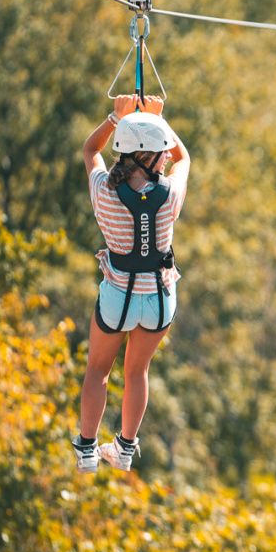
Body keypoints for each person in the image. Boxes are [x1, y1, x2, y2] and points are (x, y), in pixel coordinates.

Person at [71, 94, 190, 473]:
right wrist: (159, 118)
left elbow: (90, 149)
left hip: (117, 297)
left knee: (97, 370)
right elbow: (184, 159)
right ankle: (124, 448)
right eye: (161, 151)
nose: (167, 156)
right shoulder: (170, 195)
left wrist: (116, 117)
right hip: (158, 299)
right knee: (137, 371)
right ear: (150, 156)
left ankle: (87, 449)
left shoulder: (104, 191)